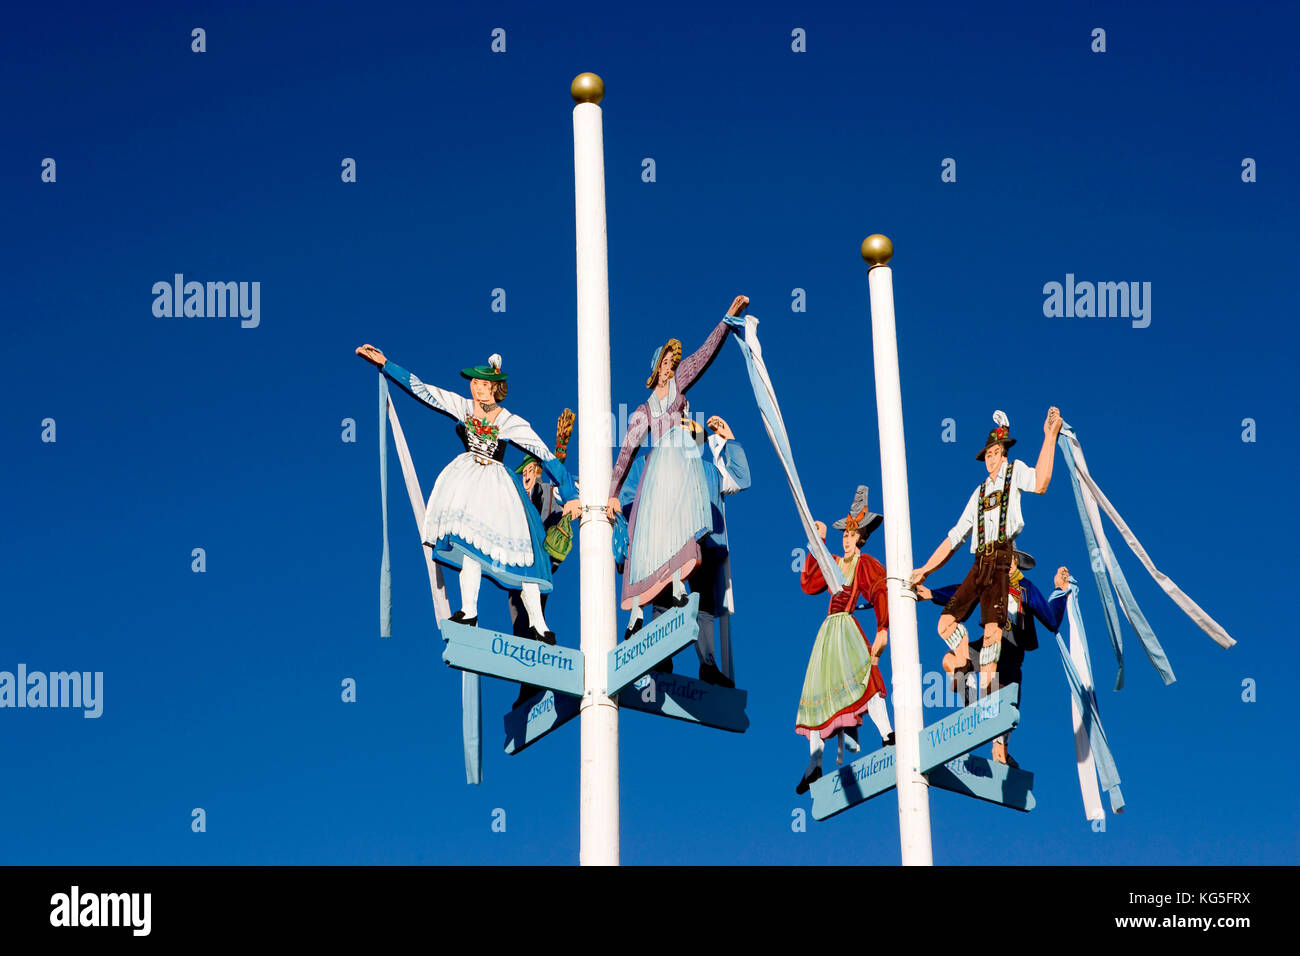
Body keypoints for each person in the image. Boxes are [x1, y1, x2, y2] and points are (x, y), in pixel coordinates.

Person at [356, 345, 580, 643]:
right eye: (475, 383)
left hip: (499, 489)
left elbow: (545, 454)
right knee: (469, 547)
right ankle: (468, 612)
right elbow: (423, 390)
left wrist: (570, 494)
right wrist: (386, 364)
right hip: (469, 484)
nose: (478, 389)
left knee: (523, 555)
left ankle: (540, 627)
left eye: (484, 385)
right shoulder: (461, 407)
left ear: (496, 389)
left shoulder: (509, 421)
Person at [606, 295, 748, 640]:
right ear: (656, 368)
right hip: (658, 474)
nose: (671, 366)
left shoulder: (681, 385)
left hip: (679, 464)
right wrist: (611, 494)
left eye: (674, 361)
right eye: (666, 361)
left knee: (680, 531)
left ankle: (679, 589)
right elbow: (626, 452)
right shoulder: (643, 411)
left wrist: (726, 321)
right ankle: (637, 616)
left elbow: (702, 356)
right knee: (652, 537)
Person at [910, 408, 1063, 693]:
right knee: (945, 623)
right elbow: (954, 537)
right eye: (987, 455)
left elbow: (1041, 483)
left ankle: (987, 695)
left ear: (1004, 453)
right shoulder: (979, 493)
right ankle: (965, 664)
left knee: (993, 631)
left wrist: (1049, 437)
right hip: (979, 562)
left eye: (995, 453)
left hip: (1002, 558)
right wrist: (925, 569)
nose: (991, 459)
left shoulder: (1014, 472)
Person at [621, 412, 750, 685]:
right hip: (661, 545)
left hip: (702, 546)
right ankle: (660, 658)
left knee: (703, 603)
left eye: (691, 436)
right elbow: (627, 500)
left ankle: (708, 664)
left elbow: (740, 479)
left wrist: (730, 441)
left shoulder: (707, 470)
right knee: (662, 597)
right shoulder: (646, 465)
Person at [917, 553, 1069, 766]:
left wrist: (1060, 592)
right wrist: (933, 594)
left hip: (1012, 647)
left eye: (1009, 560)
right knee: (950, 660)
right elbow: (963, 593)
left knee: (1005, 707)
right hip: (989, 639)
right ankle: (970, 696)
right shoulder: (990, 580)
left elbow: (1051, 620)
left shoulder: (1026, 588)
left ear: (1015, 562)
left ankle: (1001, 755)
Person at [795, 487, 894, 795]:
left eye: (852, 535)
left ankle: (889, 734)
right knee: (819, 694)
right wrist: (817, 541)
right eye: (845, 535)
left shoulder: (864, 564)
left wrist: (883, 626)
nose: (847, 539)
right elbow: (809, 584)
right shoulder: (834, 562)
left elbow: (879, 590)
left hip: (847, 630)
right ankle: (814, 764)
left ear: (861, 537)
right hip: (828, 634)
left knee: (868, 679)